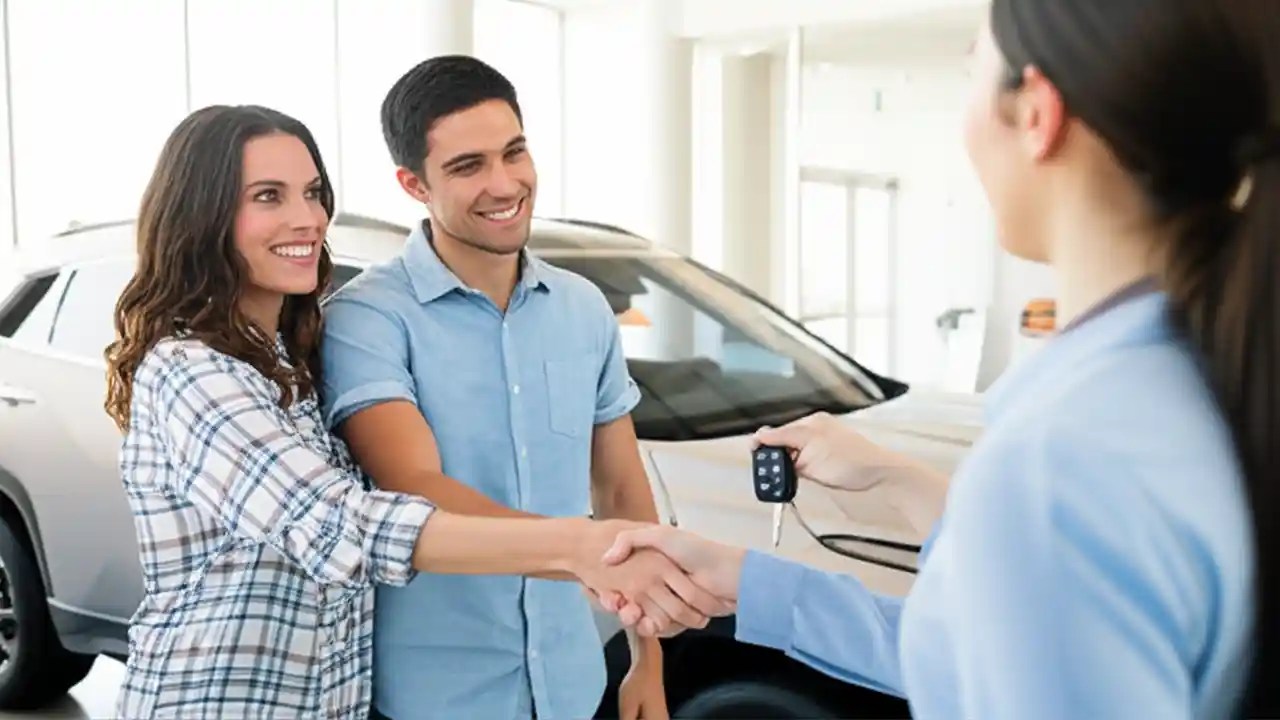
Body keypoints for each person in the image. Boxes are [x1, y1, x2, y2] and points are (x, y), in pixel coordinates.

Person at [604, 0, 1280, 717]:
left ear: (1037, 115)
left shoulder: (1057, 465)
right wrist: (764, 571)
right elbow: (988, 650)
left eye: (970, 73)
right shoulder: (1199, 386)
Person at [102, 104, 718, 720]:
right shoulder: (193, 372)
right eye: (268, 196)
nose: (307, 218)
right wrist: (579, 546)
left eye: (313, 193)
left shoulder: (291, 360)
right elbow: (342, 524)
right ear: (203, 217)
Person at [317, 55, 695, 720]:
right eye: (468, 167)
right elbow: (416, 488)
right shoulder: (366, 318)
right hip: (435, 698)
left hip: (573, 685)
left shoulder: (582, 309)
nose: (504, 183)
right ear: (414, 184)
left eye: (513, 152)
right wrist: (582, 554)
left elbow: (621, 489)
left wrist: (647, 660)